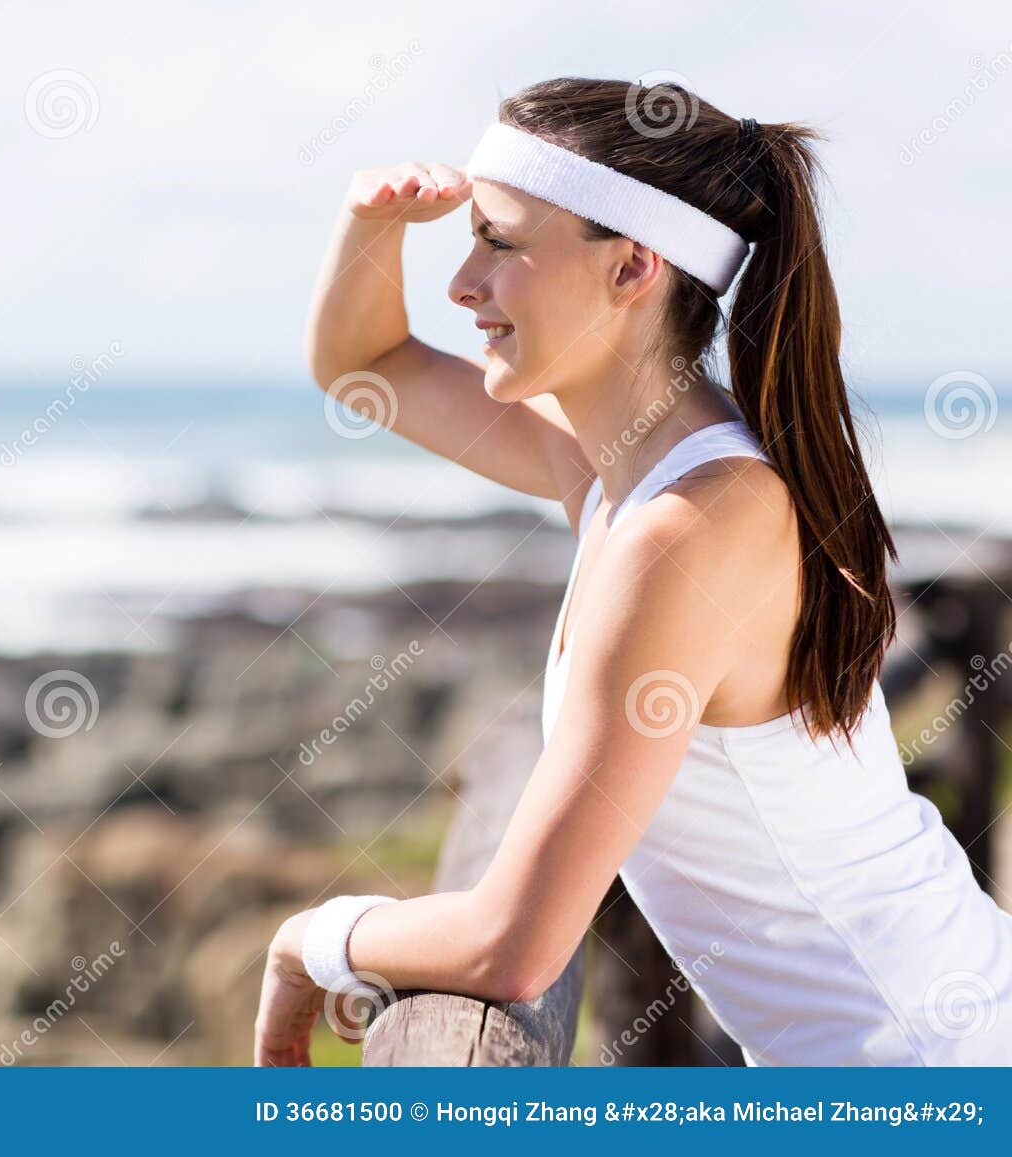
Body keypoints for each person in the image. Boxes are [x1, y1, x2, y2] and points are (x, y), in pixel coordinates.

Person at [254, 76, 1012, 1066]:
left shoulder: (682, 529)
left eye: (499, 242)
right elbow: (369, 366)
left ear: (631, 268)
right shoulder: (633, 465)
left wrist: (308, 938)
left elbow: (513, 946)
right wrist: (373, 223)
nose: (461, 285)